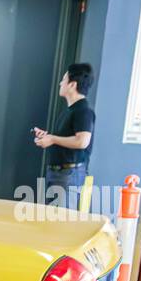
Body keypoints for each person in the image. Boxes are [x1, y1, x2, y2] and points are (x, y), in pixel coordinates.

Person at [34, 62, 95, 209]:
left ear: (72, 85)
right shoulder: (70, 110)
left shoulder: (83, 110)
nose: (61, 83)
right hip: (58, 173)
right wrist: (48, 137)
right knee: (51, 220)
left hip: (68, 175)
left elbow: (82, 141)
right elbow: (68, 139)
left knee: (61, 221)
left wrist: (53, 139)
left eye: (64, 79)